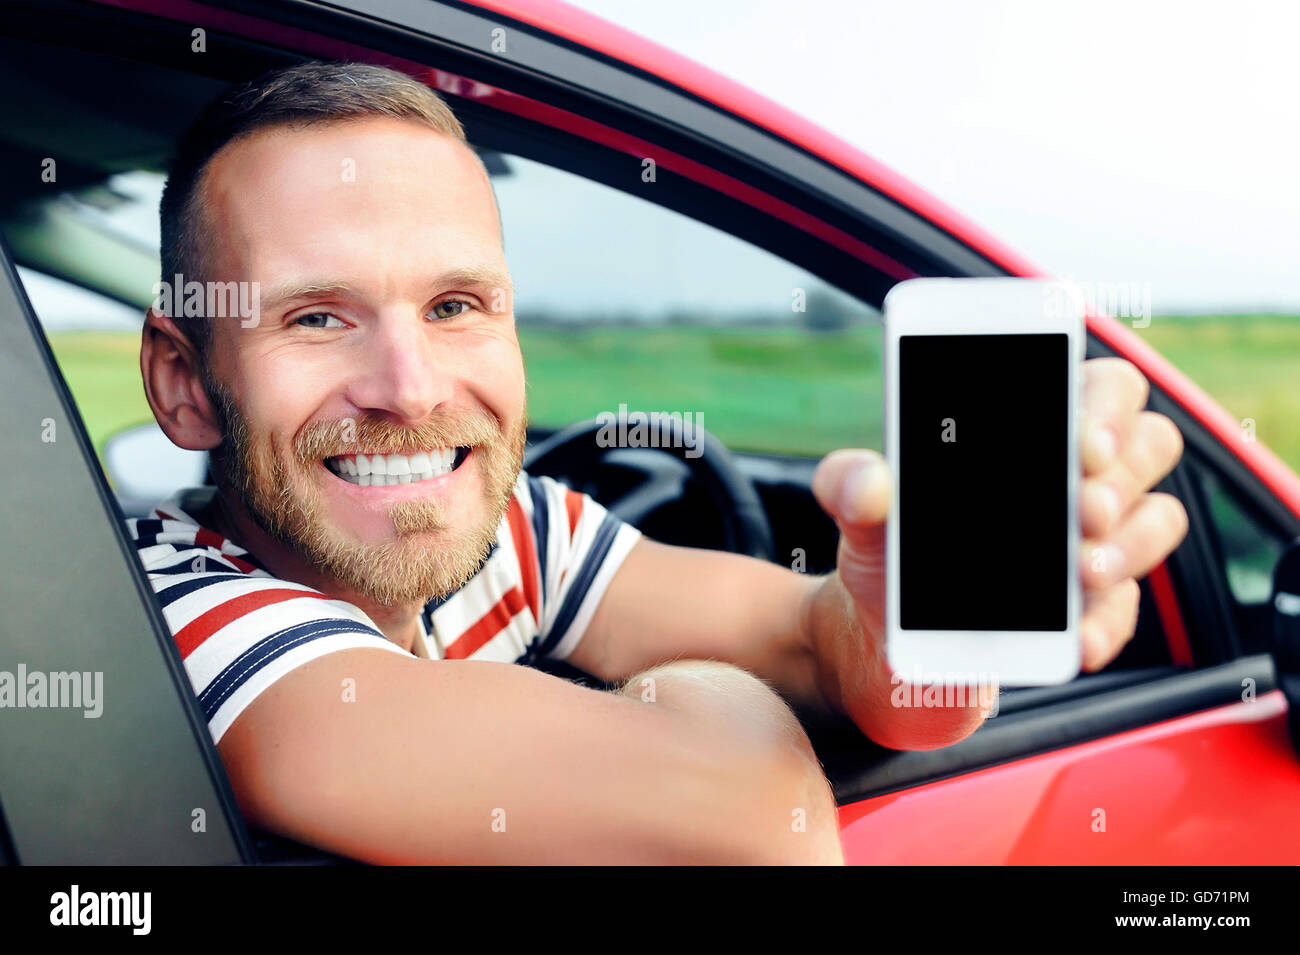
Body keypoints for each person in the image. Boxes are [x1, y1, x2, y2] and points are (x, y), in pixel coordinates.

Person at [133, 61, 1187, 864]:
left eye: (455, 306)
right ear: (185, 383)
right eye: (318, 317)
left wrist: (910, 622)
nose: (408, 389)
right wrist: (688, 683)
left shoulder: (510, 527)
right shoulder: (163, 610)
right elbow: (740, 811)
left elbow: (827, 652)